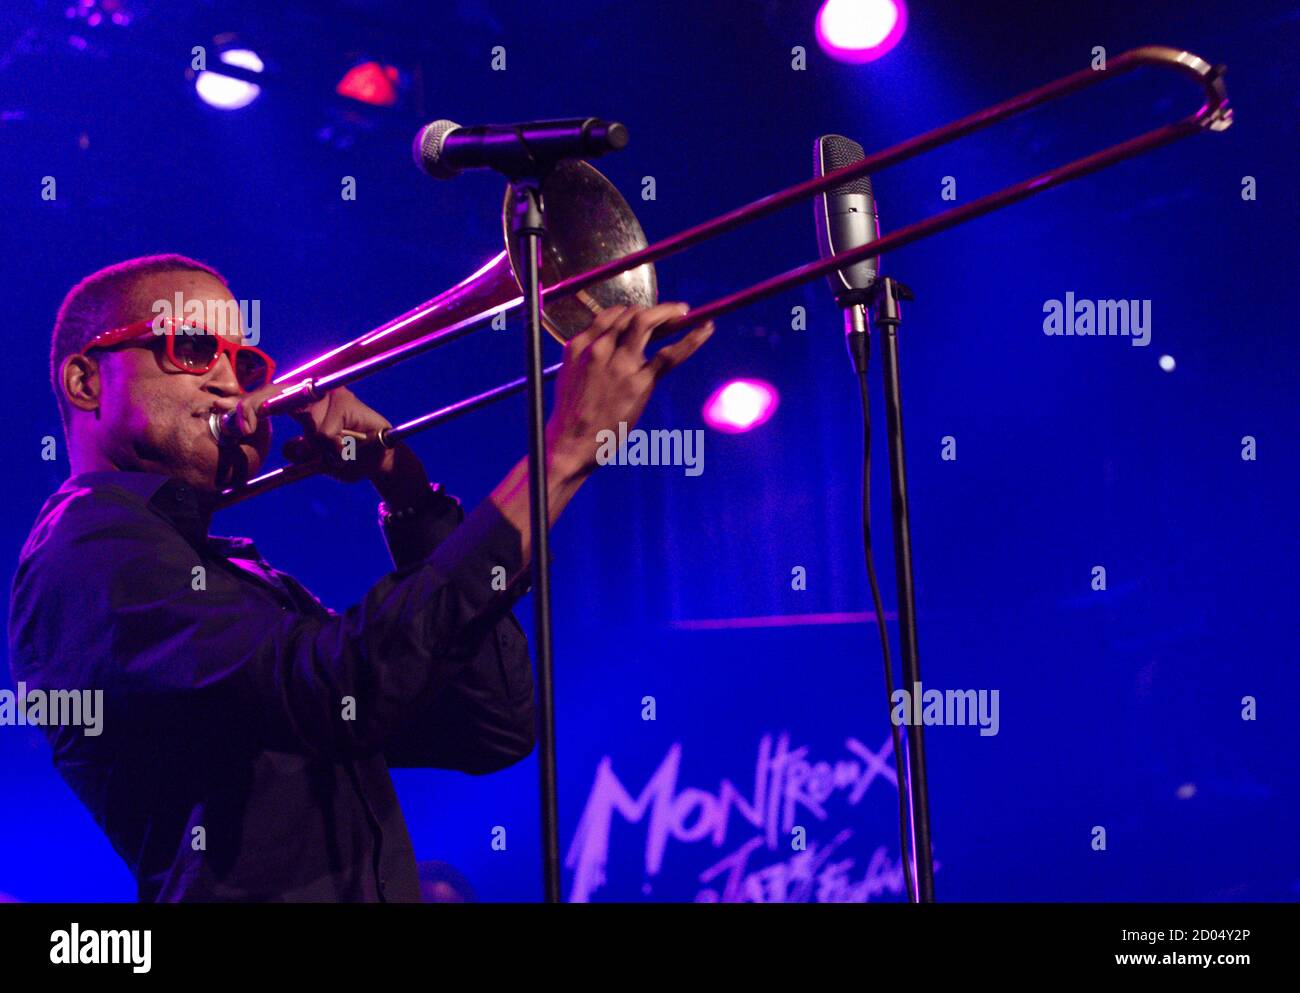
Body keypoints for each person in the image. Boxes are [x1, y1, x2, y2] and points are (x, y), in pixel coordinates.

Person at [7, 254, 712, 901]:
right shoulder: (86, 545)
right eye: (191, 347)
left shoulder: (228, 571)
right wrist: (558, 457)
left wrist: (405, 492)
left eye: (244, 362)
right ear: (85, 379)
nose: (229, 380)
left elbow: (491, 725)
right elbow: (338, 682)